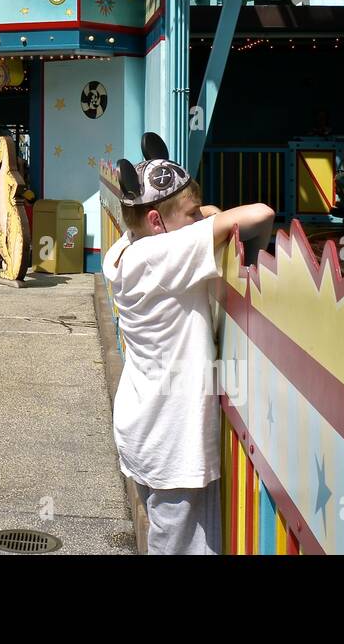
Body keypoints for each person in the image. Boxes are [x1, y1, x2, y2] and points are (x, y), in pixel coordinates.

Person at [102, 133, 274, 555]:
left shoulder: (128, 250)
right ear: (158, 223)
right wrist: (212, 218)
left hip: (146, 426)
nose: (199, 219)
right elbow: (260, 215)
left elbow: (202, 217)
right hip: (172, 438)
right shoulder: (161, 256)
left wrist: (198, 212)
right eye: (190, 214)